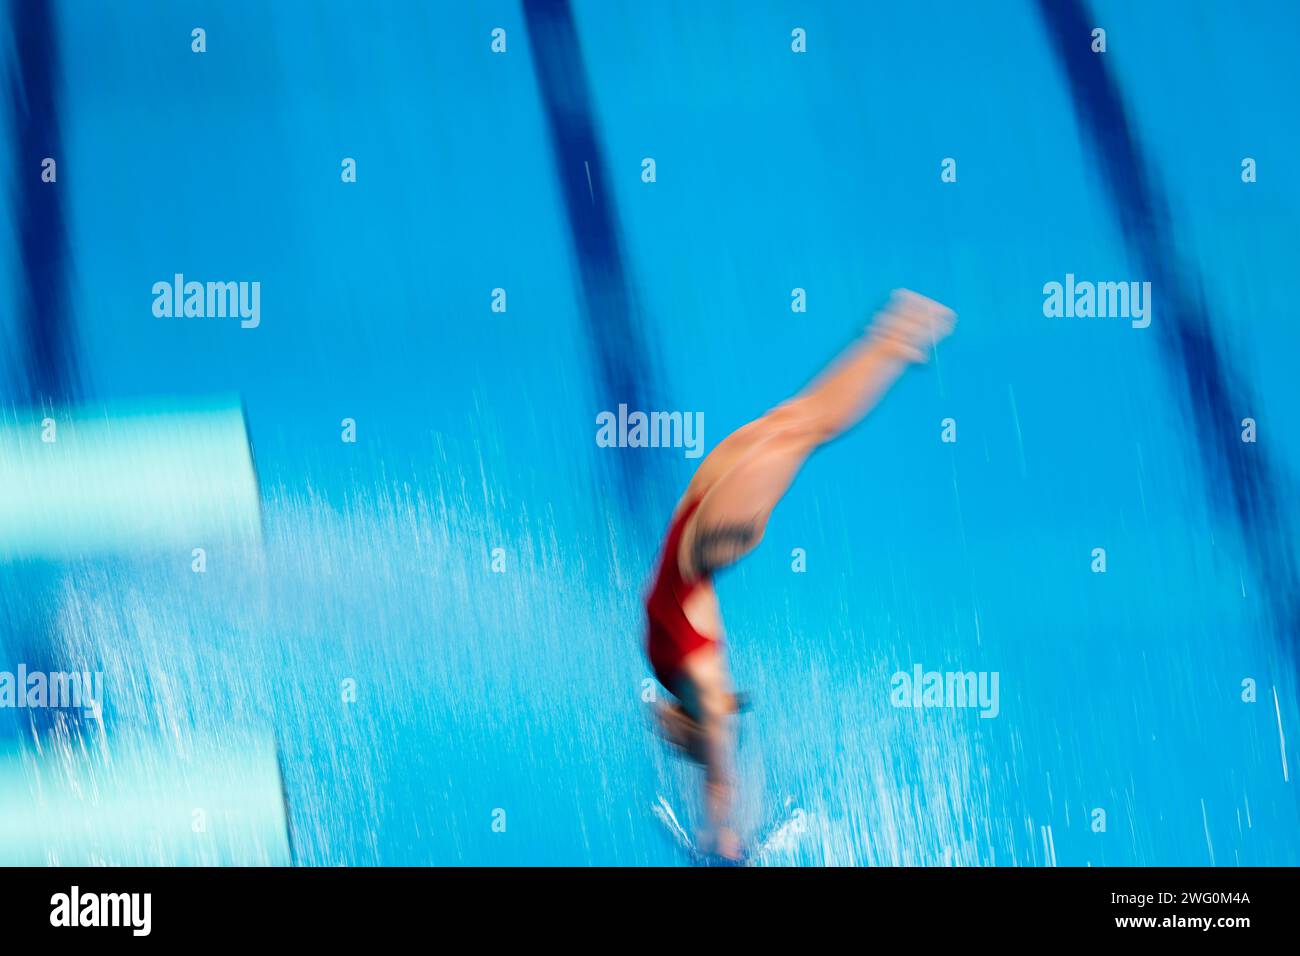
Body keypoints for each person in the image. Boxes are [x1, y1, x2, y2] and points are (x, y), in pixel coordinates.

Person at [644, 289, 956, 861]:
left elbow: (718, 776)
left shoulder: (703, 687)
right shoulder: (680, 675)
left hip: (710, 531)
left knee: (802, 425)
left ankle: (895, 338)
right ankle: (893, 338)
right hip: (696, 521)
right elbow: (699, 747)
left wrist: (722, 839)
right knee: (800, 423)